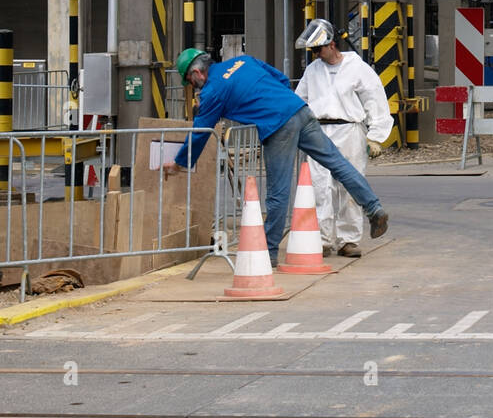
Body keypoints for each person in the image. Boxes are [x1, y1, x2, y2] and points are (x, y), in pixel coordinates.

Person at [162, 47, 389, 266]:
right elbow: (280, 78)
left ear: (197, 73)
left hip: (277, 125)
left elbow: (201, 132)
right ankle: (373, 207)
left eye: (191, 82)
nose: (194, 87)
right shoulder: (243, 61)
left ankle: (269, 253)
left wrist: (179, 163)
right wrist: (277, 102)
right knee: (338, 164)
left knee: (277, 193)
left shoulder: (213, 90)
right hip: (300, 111)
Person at [293, 18, 392, 258]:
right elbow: (300, 100)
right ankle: (323, 239)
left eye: (319, 49)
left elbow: (374, 99)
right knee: (320, 186)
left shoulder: (356, 68)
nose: (316, 54)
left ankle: (348, 240)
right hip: (319, 130)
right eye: (313, 50)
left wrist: (375, 136)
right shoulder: (312, 71)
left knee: (349, 185)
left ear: (332, 44)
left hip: (349, 130)